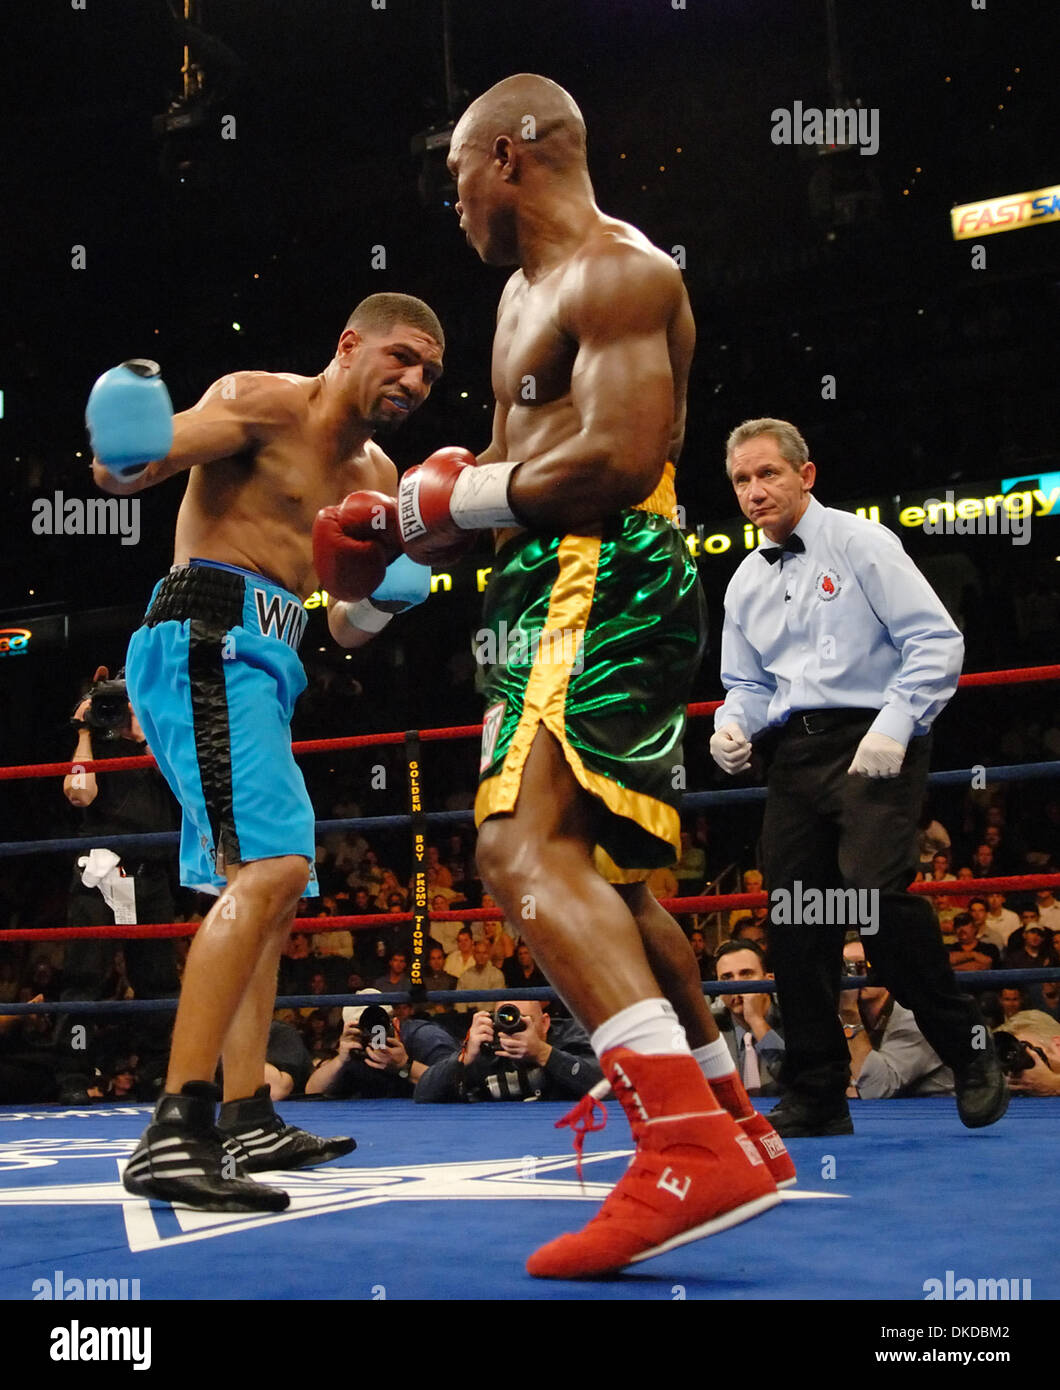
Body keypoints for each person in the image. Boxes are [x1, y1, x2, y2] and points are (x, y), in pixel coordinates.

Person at [331, 74, 789, 1276]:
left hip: (599, 567)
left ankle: (683, 1141)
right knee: (610, 885)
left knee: (516, 851)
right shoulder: (521, 295)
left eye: (457, 177)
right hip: (545, 574)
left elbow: (620, 455)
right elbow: (506, 467)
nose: (454, 203)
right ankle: (736, 1116)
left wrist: (463, 496)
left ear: (509, 156)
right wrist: (404, 527)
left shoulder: (616, 272)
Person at [88, 292, 443, 1212]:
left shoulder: (376, 469)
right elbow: (131, 470)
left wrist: (384, 598)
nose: (414, 381)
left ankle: (246, 1114)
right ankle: (176, 1129)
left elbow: (343, 622)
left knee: (270, 887)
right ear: (349, 344)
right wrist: (123, 445)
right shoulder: (260, 400)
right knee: (277, 866)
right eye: (401, 358)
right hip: (206, 637)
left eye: (431, 373)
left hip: (268, 661)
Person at [711, 416, 1007, 1138]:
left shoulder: (863, 543)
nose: (755, 491)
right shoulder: (747, 580)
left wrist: (898, 723)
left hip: (876, 738)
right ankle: (817, 1092)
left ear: (804, 475)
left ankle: (970, 1050)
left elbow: (936, 640)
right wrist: (732, 723)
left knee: (875, 902)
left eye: (767, 474)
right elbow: (747, 683)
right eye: (742, 480)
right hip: (796, 757)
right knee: (796, 922)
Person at [414, 1000, 603, 1103]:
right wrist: (464, 1057)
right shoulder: (488, 1047)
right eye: (505, 1020)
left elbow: (607, 1084)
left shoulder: (569, 1037)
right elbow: (423, 1093)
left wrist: (543, 1053)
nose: (513, 1027)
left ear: (545, 1023)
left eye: (523, 1020)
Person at [839, 937, 953, 1099]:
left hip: (939, 1114)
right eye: (845, 968)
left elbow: (875, 1089)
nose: (853, 976)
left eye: (863, 966)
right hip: (888, 1111)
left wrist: (849, 1014)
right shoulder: (847, 1012)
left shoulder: (915, 1016)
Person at [714, 941, 785, 1098]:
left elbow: (798, 1084)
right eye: (727, 978)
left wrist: (756, 1021)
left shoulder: (797, 1020)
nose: (737, 985)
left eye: (746, 973)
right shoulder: (709, 1028)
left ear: (769, 980)